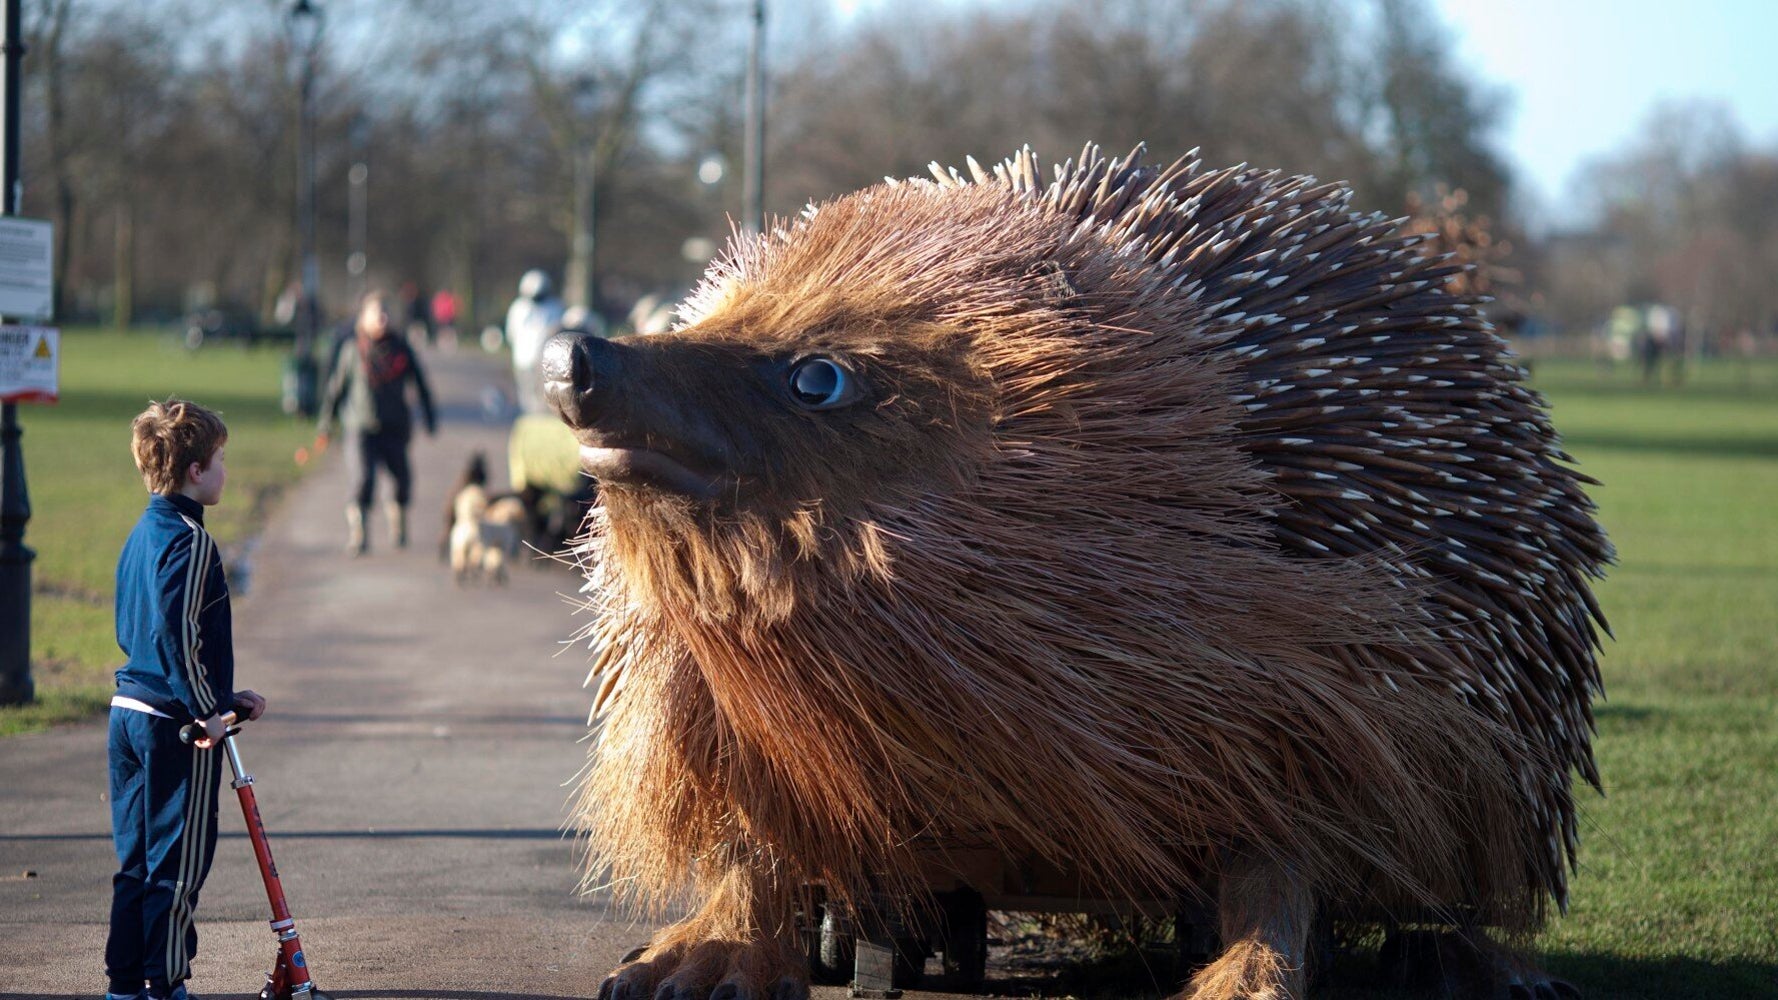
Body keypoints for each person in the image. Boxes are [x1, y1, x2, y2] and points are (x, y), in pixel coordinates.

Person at [107, 398, 268, 1000]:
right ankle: (165, 983)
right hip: (176, 726)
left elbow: (141, 632)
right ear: (196, 471)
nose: (226, 470)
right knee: (178, 864)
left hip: (128, 712)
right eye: (221, 459)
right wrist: (209, 711)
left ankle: (124, 983)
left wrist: (225, 695)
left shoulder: (140, 535)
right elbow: (177, 638)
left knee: (137, 863)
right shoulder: (192, 540)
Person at [318, 290, 437, 555]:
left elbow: (421, 383)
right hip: (360, 427)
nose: (382, 317)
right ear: (364, 318)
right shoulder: (352, 350)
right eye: (376, 312)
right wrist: (326, 424)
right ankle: (358, 534)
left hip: (395, 426)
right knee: (362, 479)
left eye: (386, 312)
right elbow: (335, 389)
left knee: (402, 481)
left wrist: (430, 417)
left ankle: (398, 524)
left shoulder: (401, 349)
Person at [504, 269, 564, 414]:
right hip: (523, 358)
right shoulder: (519, 308)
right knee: (527, 391)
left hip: (546, 360)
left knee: (545, 392)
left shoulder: (555, 307)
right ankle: (530, 414)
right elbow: (512, 333)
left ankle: (541, 416)